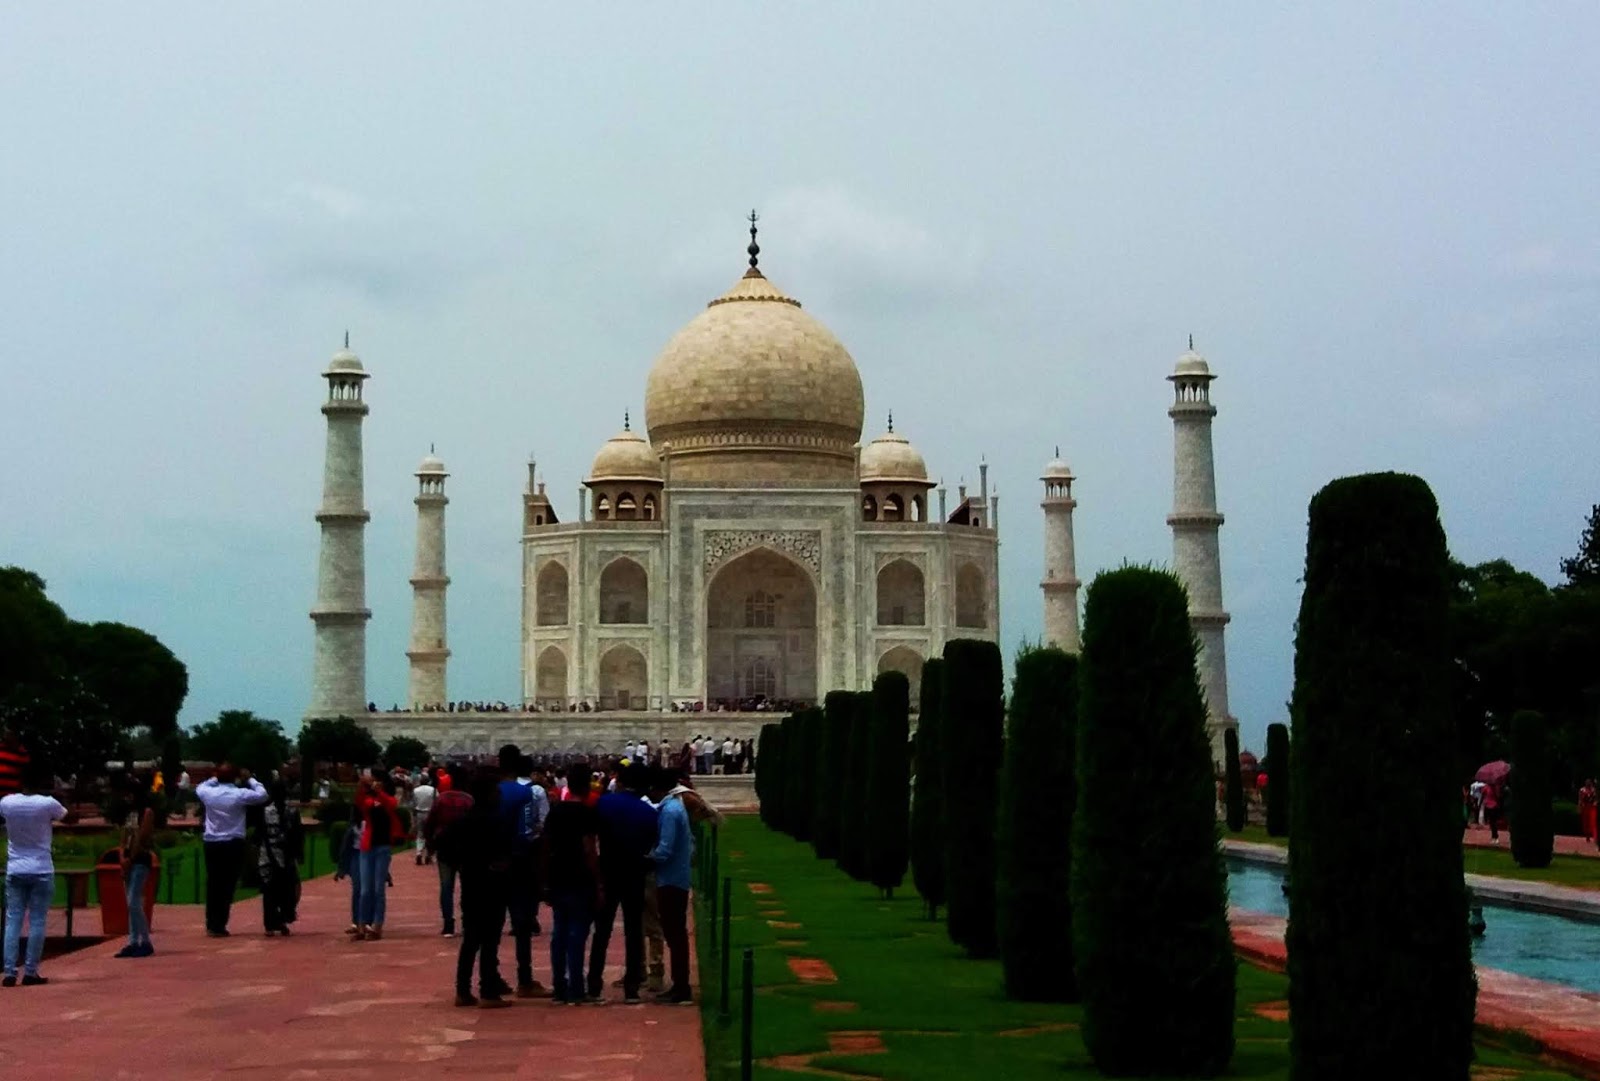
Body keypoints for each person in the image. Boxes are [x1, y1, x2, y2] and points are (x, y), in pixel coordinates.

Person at [437, 771, 512, 1008]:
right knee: (489, 940)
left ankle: (463, 990)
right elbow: (506, 852)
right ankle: (488, 991)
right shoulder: (496, 821)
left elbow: (443, 845)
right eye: (496, 791)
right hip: (492, 885)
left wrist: (462, 862)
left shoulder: (463, 821)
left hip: (471, 884)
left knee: (471, 939)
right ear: (489, 794)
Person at [588, 763, 657, 1004]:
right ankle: (631, 988)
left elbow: (594, 835)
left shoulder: (604, 803)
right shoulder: (648, 813)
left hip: (608, 871)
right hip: (634, 873)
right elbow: (650, 845)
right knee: (633, 931)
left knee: (602, 931)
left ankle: (594, 984)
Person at [2, 761, 75, 985]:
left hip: (15, 867)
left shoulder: (7, 802)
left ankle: (9, 971)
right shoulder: (47, 803)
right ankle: (31, 971)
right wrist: (62, 793)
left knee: (12, 921)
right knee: (36, 921)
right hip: (41, 867)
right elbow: (69, 818)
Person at [543, 762, 601, 1004]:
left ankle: (559, 987)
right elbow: (590, 849)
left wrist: (543, 878)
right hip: (579, 877)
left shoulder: (555, 811)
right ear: (587, 785)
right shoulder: (587, 814)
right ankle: (576, 988)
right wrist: (599, 882)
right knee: (577, 934)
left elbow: (545, 846)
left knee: (559, 933)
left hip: (558, 875)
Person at [496, 745, 547, 998]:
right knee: (522, 923)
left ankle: (490, 979)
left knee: (491, 924)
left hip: (493, 863)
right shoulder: (524, 793)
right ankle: (525, 980)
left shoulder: (489, 791)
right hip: (520, 860)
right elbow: (531, 827)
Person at [195, 763, 269, 937]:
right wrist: (249, 778)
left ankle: (212, 923)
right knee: (228, 883)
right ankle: (220, 923)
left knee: (213, 883)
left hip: (212, 842)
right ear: (235, 778)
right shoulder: (239, 794)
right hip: (233, 843)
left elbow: (200, 786)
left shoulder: (208, 793)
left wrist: (216, 777)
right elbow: (263, 795)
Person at [648, 767, 695, 1005]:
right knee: (677, 935)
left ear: (658, 788)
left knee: (675, 935)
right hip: (679, 876)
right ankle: (680, 985)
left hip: (670, 880)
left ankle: (681, 988)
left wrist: (646, 858)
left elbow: (665, 850)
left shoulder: (669, 811)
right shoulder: (677, 807)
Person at [353, 770, 402, 940]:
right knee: (365, 889)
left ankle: (377, 925)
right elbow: (361, 803)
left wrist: (379, 792)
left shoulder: (386, 798)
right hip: (367, 846)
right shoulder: (366, 798)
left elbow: (391, 804)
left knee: (378, 888)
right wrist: (364, 786)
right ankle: (361, 925)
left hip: (383, 846)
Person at [255, 780, 304, 936]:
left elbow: (258, 835)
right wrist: (299, 853)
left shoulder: (264, 811)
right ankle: (281, 919)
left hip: (267, 856)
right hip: (284, 856)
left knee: (269, 891)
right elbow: (298, 835)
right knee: (286, 890)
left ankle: (271, 924)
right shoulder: (291, 811)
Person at [117, 784, 156, 958]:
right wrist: (122, 858)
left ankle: (145, 941)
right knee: (130, 903)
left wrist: (130, 859)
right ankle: (132, 941)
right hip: (128, 860)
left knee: (134, 901)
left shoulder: (146, 812)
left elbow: (142, 838)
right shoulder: (129, 815)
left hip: (140, 860)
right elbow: (124, 837)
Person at [333, 816, 364, 935]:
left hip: (370, 854)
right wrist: (341, 868)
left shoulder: (374, 816)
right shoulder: (353, 823)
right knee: (357, 888)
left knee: (368, 890)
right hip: (356, 854)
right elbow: (346, 845)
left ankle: (368, 921)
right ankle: (356, 922)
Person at [412, 772, 437, 866]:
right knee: (430, 834)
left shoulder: (416, 790)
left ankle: (419, 852)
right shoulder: (433, 790)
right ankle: (428, 855)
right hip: (430, 813)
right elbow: (436, 802)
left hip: (419, 813)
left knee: (420, 834)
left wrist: (414, 815)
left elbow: (414, 803)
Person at [1580, 779, 1598, 844]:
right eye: (1587, 782)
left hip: (1592, 808)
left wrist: (1595, 803)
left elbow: (1596, 798)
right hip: (1585, 807)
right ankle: (1587, 836)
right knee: (1586, 822)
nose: (1588, 784)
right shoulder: (1582, 790)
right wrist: (1580, 806)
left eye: (1589, 782)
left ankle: (1595, 837)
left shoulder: (1593, 790)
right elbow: (1580, 799)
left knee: (1593, 822)